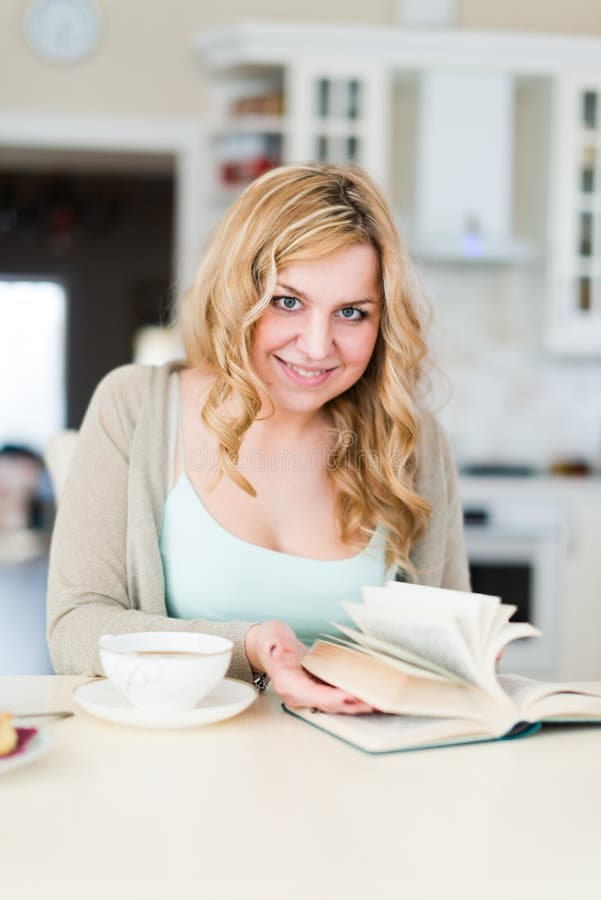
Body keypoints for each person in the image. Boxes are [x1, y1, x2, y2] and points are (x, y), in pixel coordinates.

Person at [46, 162, 469, 714]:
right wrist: (248, 650)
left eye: (351, 313)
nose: (318, 346)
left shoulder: (410, 439)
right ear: (234, 293)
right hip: (181, 768)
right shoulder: (135, 406)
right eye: (287, 301)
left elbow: (446, 640)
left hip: (364, 772)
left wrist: (461, 659)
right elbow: (76, 627)